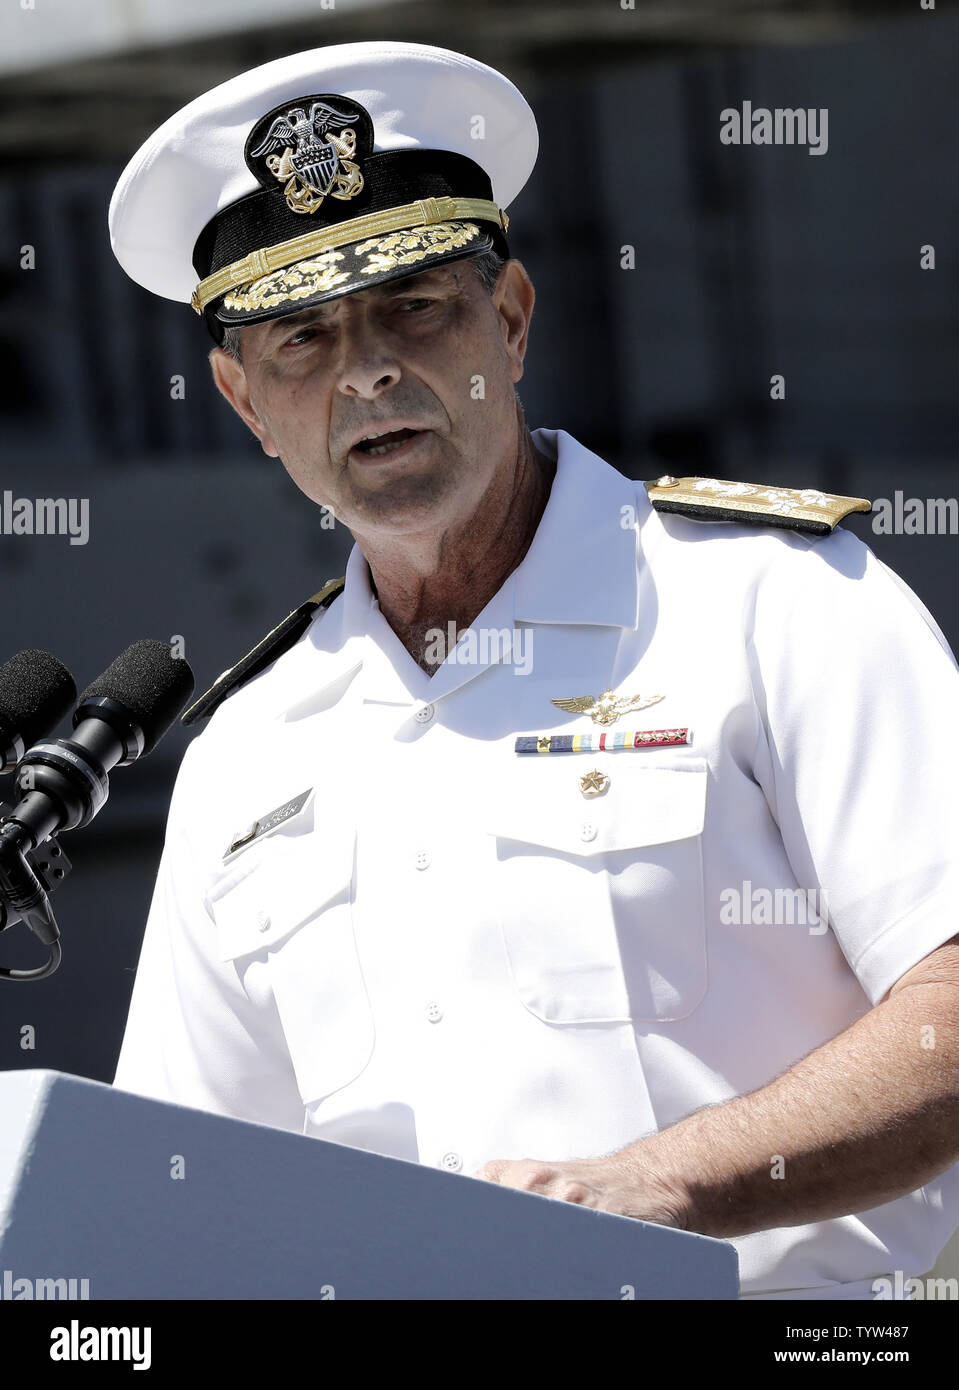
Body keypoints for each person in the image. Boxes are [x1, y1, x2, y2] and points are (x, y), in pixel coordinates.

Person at [108, 40, 959, 1300]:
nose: (369, 372)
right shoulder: (247, 747)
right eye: (303, 339)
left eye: (414, 306)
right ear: (245, 400)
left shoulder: (772, 602)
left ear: (506, 320)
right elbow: (173, 1180)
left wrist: (657, 1186)